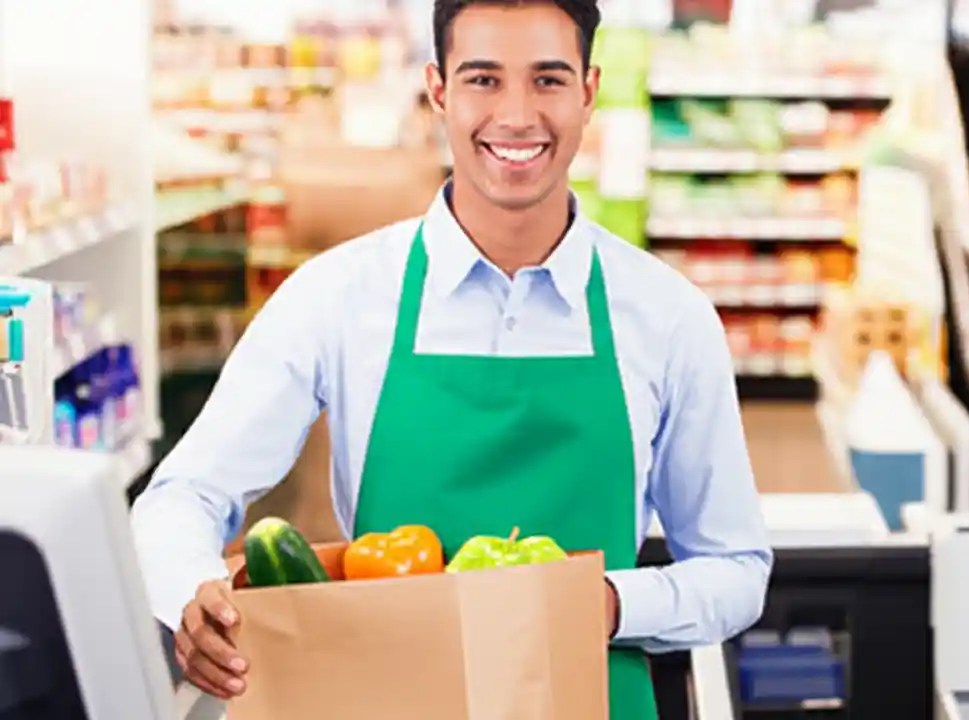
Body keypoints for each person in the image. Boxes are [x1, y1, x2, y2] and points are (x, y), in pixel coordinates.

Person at [130, 0, 772, 717]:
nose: (518, 115)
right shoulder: (338, 295)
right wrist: (193, 593)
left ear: (589, 91)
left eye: (549, 80)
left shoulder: (667, 316)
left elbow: (736, 570)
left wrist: (612, 603)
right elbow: (184, 494)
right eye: (485, 79)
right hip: (384, 698)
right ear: (438, 89)